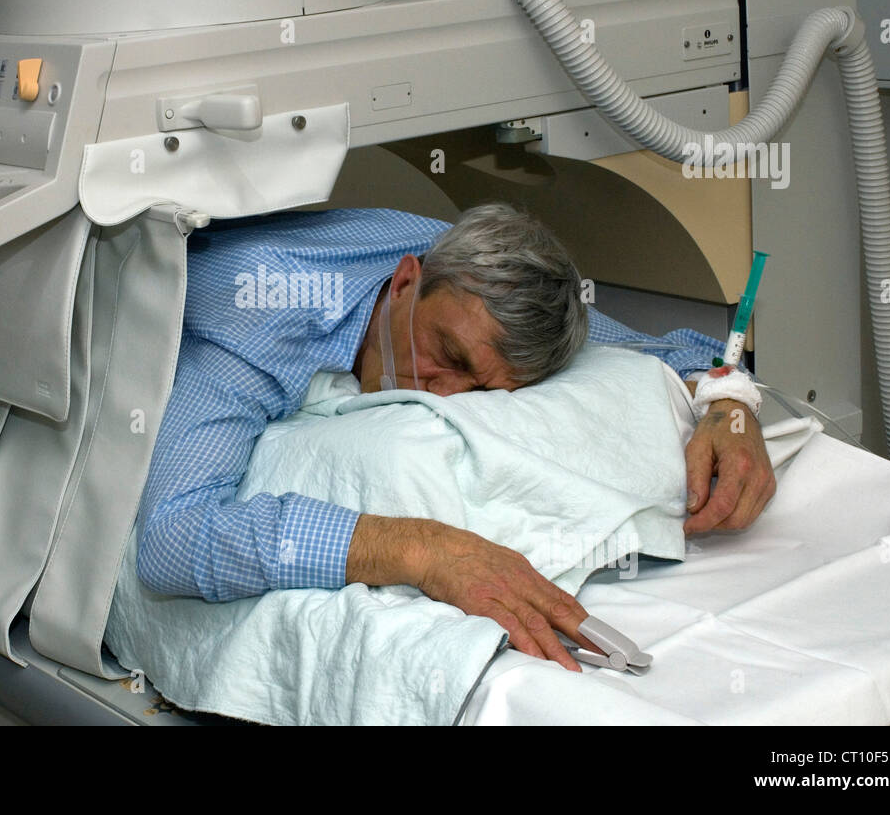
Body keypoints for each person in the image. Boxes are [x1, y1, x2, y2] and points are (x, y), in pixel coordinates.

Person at [136, 203, 776, 670]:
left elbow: (677, 351)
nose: (439, 395)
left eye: (481, 392)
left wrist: (731, 408)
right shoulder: (262, 319)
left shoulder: (483, 284)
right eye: (446, 354)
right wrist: (424, 550)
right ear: (405, 282)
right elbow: (171, 539)